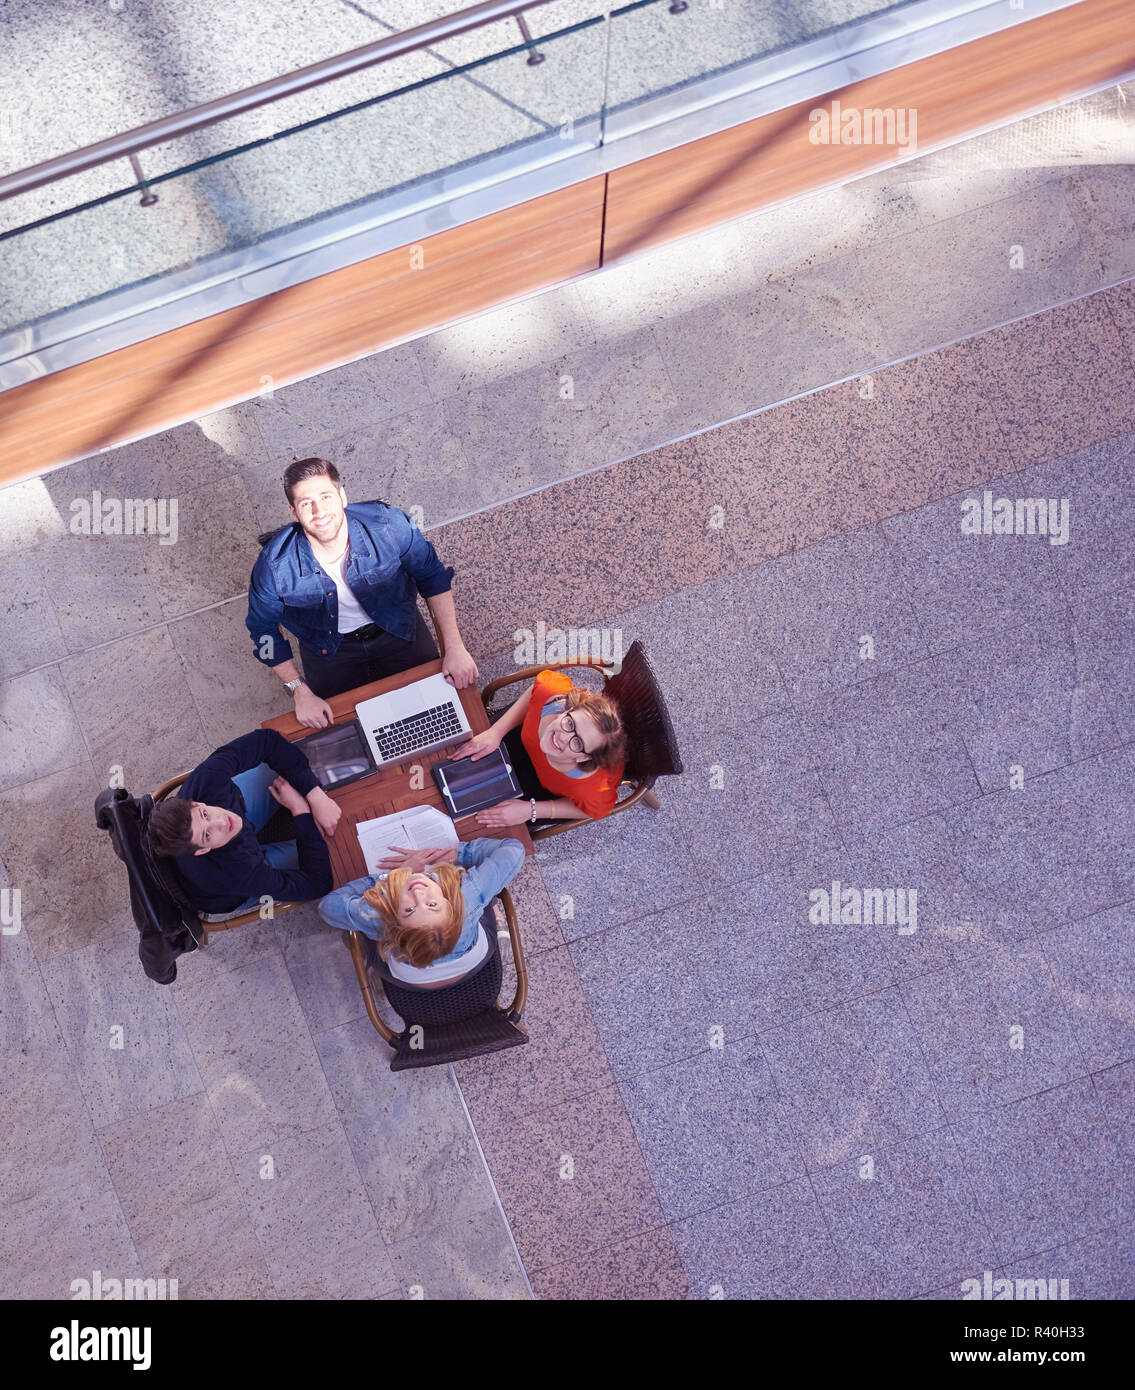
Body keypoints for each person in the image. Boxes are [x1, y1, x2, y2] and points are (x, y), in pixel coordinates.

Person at [245, 458, 479, 730]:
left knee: (436, 712)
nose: (319, 511)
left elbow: (433, 577)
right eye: (306, 503)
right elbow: (263, 633)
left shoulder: (388, 525)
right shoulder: (273, 566)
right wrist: (299, 691)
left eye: (325, 497)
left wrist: (455, 648)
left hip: (398, 630)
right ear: (294, 512)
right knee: (351, 731)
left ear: (342, 495)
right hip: (329, 650)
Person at [145, 729, 336, 917]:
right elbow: (318, 883)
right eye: (207, 834)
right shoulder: (237, 874)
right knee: (331, 847)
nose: (221, 821)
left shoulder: (205, 782)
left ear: (196, 803)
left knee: (273, 769)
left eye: (205, 814)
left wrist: (315, 794)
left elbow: (266, 740)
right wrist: (300, 810)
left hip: (230, 848)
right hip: (223, 888)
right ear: (201, 850)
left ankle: (240, 833)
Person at [317, 838, 525, 989]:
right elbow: (513, 850)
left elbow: (328, 906)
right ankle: (495, 917)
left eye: (409, 910)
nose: (418, 893)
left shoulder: (378, 918)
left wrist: (393, 877)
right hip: (472, 963)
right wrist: (458, 855)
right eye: (432, 904)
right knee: (484, 901)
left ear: (395, 923)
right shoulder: (466, 896)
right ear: (450, 902)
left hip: (411, 982)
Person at [450, 669, 626, 828]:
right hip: (526, 744)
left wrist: (531, 810)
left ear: (585, 758)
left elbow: (593, 811)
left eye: (578, 742)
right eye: (570, 723)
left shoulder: (593, 789)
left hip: (544, 788)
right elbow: (537, 685)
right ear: (568, 710)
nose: (562, 737)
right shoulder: (551, 693)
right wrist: (496, 732)